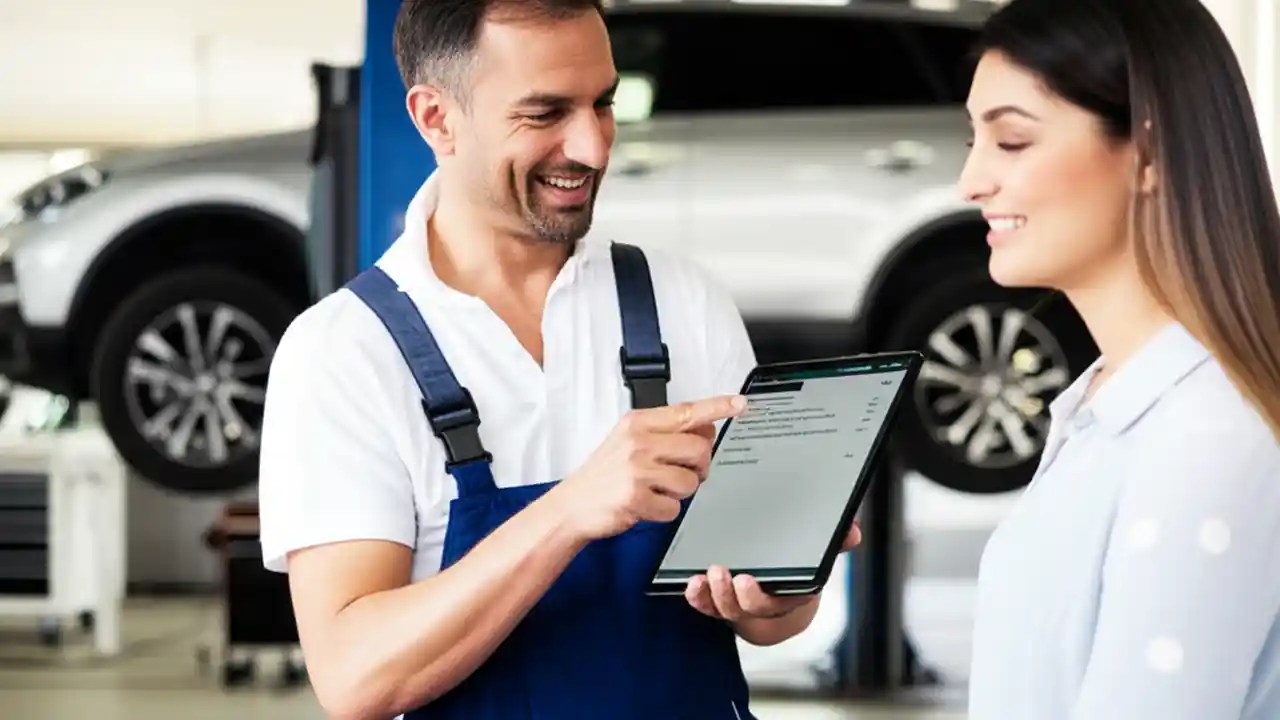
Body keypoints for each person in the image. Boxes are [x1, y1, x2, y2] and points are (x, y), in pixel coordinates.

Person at [256, 0, 860, 718]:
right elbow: (356, 678)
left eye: (603, 103)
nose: (594, 146)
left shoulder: (682, 302)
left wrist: (781, 591)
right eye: (544, 114)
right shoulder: (344, 352)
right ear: (435, 119)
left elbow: (769, 621)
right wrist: (570, 510)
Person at [958, 0, 1280, 717]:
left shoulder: (1207, 435)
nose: (971, 181)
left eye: (1011, 141)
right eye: (973, 140)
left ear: (1150, 154)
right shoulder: (1110, 409)